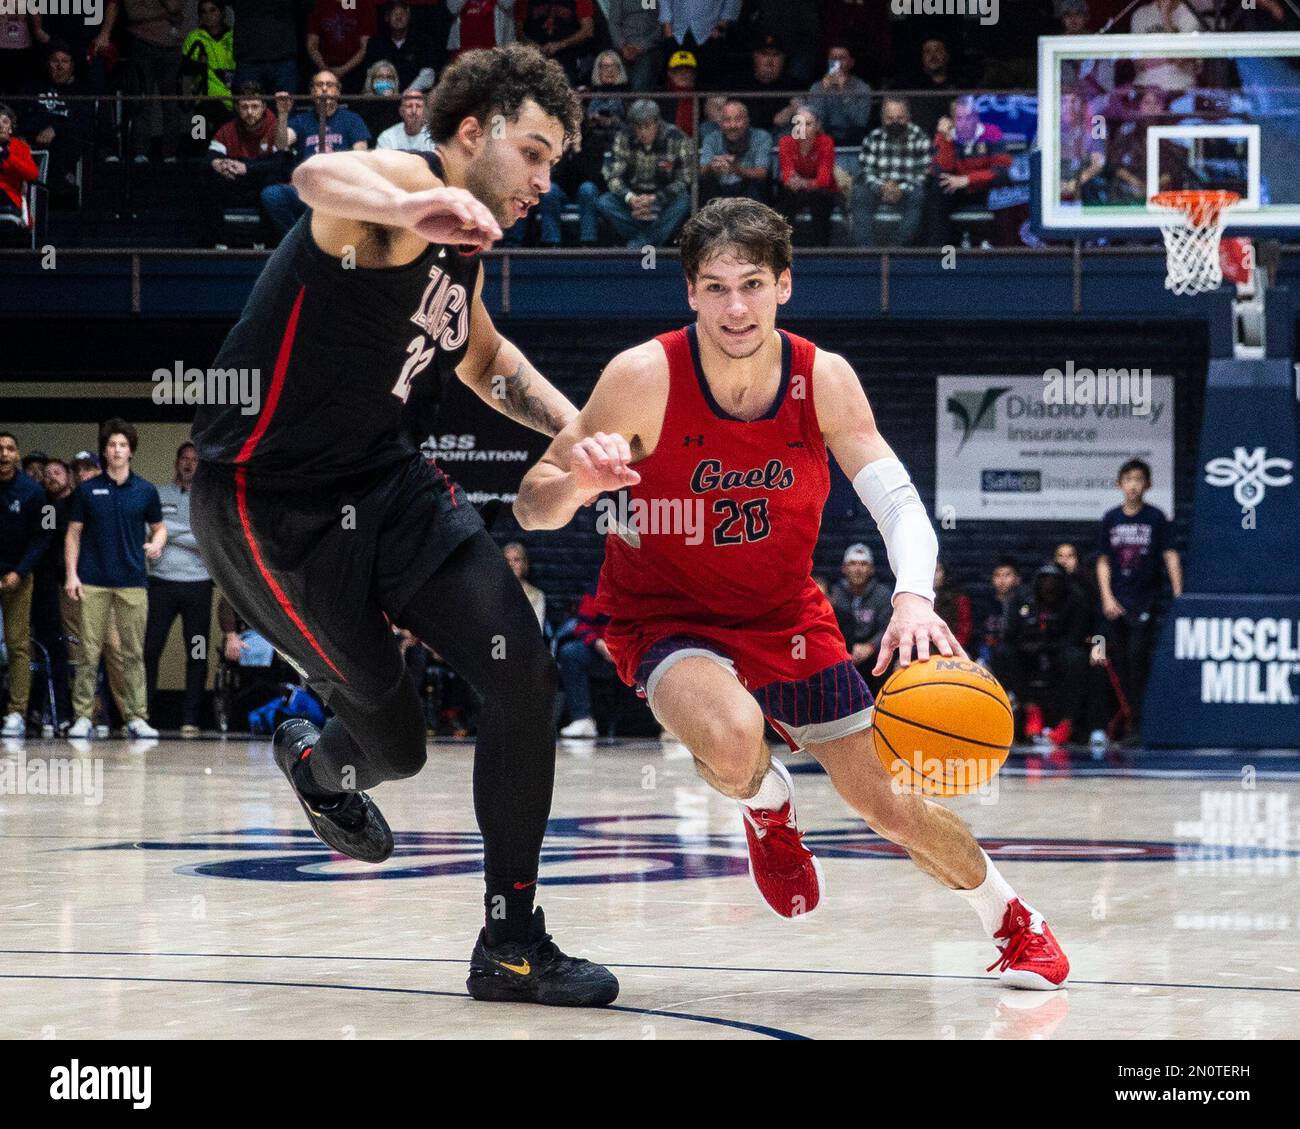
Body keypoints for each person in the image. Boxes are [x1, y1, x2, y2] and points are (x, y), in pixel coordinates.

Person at [514, 197, 1070, 989]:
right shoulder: (642, 376)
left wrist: (914, 595)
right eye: (714, 286)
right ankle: (765, 802)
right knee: (737, 736)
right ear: (690, 294)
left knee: (889, 806)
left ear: (784, 285)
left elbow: (898, 499)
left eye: (750, 284)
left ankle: (1014, 919)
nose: (734, 306)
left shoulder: (824, 378)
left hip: (783, 613)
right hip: (663, 617)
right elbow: (532, 503)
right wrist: (577, 483)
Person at [188, 43, 617, 1007]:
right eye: (537, 154)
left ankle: (511, 944)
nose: (547, 183)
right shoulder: (397, 190)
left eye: (556, 165)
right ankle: (320, 753)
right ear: (475, 132)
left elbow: (485, 358)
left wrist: (581, 432)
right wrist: (406, 207)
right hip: (266, 501)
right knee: (400, 742)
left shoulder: (462, 251)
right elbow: (312, 175)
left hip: (383, 479)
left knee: (526, 668)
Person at [64, 418, 166, 740]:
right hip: (93, 581)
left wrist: (157, 543)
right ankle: (82, 716)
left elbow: (159, 527)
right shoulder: (87, 489)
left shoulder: (146, 490)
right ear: (105, 452)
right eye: (111, 445)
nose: (117, 450)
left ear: (131, 451)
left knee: (133, 653)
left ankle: (136, 716)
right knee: (88, 652)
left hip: (133, 581)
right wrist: (72, 574)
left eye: (122, 445)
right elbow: (73, 535)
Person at [1096, 458, 1181, 736]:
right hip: (1116, 602)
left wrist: (1179, 594)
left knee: (1138, 660)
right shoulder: (1111, 518)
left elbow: (1169, 555)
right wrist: (1107, 597)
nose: (1133, 485)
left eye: (1139, 479)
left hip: (1144, 600)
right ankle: (1121, 721)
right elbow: (1103, 561)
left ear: (1148, 485)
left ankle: (1139, 724)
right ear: (1120, 484)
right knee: (1117, 663)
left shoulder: (1156, 517)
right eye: (1128, 479)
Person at [143, 442, 213, 737]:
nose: (189, 464)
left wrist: (169, 533)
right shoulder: (158, 494)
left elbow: (207, 539)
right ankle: (143, 715)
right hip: (162, 584)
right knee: (150, 649)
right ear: (176, 462)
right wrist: (179, 533)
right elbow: (149, 530)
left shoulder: (207, 499)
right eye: (184, 459)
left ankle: (190, 719)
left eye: (195, 460)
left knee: (196, 652)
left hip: (198, 585)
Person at [261, 73, 372, 239]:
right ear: (312, 91)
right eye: (319, 85)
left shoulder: (352, 119)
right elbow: (281, 144)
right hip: (306, 189)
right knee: (272, 195)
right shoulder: (301, 120)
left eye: (329, 84)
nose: (325, 88)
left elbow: (361, 157)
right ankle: (298, 241)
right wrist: (283, 114)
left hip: (339, 189)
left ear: (338, 91)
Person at [0, 432, 51, 737]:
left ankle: (17, 712)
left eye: (9, 449)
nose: (3, 454)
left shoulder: (33, 492)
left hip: (18, 577)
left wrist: (20, 571)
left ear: (17, 455)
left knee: (18, 645)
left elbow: (43, 536)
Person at [595, 98, 691, 248]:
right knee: (604, 202)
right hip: (632, 201)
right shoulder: (623, 137)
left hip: (663, 200)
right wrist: (630, 198)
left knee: (684, 201)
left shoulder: (676, 137)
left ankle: (639, 243)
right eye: (638, 127)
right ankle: (651, 239)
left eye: (647, 126)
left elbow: (685, 178)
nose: (643, 132)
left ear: (657, 123)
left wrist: (655, 198)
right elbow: (613, 175)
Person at [854, 96, 931, 248]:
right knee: (859, 193)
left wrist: (901, 189)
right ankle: (867, 251)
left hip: (908, 188)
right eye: (890, 118)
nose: (895, 122)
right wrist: (881, 187)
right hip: (878, 187)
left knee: (920, 195)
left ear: (908, 117)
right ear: (882, 118)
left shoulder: (920, 137)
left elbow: (924, 173)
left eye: (900, 118)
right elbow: (866, 171)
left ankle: (896, 248)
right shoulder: (873, 138)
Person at [828, 542, 892, 691]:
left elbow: (887, 627)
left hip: (872, 654)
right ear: (844, 568)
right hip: (840, 652)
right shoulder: (835, 594)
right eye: (852, 564)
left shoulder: (883, 595)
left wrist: (871, 646)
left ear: (871, 569)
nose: (858, 569)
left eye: (863, 564)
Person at [776, 107, 836, 246]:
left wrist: (803, 182)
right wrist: (798, 182)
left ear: (817, 126)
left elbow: (824, 179)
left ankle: (822, 252)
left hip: (821, 191)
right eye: (799, 123)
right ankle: (783, 249)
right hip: (795, 191)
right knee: (785, 201)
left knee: (821, 200)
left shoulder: (826, 142)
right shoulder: (786, 142)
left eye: (808, 124)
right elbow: (787, 176)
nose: (802, 128)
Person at [699, 99, 771, 205]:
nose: (733, 125)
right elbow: (703, 169)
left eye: (738, 120)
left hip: (749, 190)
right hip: (719, 190)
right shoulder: (712, 138)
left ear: (747, 121)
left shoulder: (761, 137)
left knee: (759, 184)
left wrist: (736, 169)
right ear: (721, 123)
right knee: (702, 182)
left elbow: (762, 173)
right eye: (727, 120)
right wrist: (712, 166)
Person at [365, 1, 438, 93]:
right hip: (381, 99)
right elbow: (370, 74)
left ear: (408, 16)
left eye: (402, 13)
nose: (398, 17)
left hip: (414, 99)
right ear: (386, 18)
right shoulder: (375, 43)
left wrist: (407, 94)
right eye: (394, 13)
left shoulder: (423, 41)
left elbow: (428, 75)